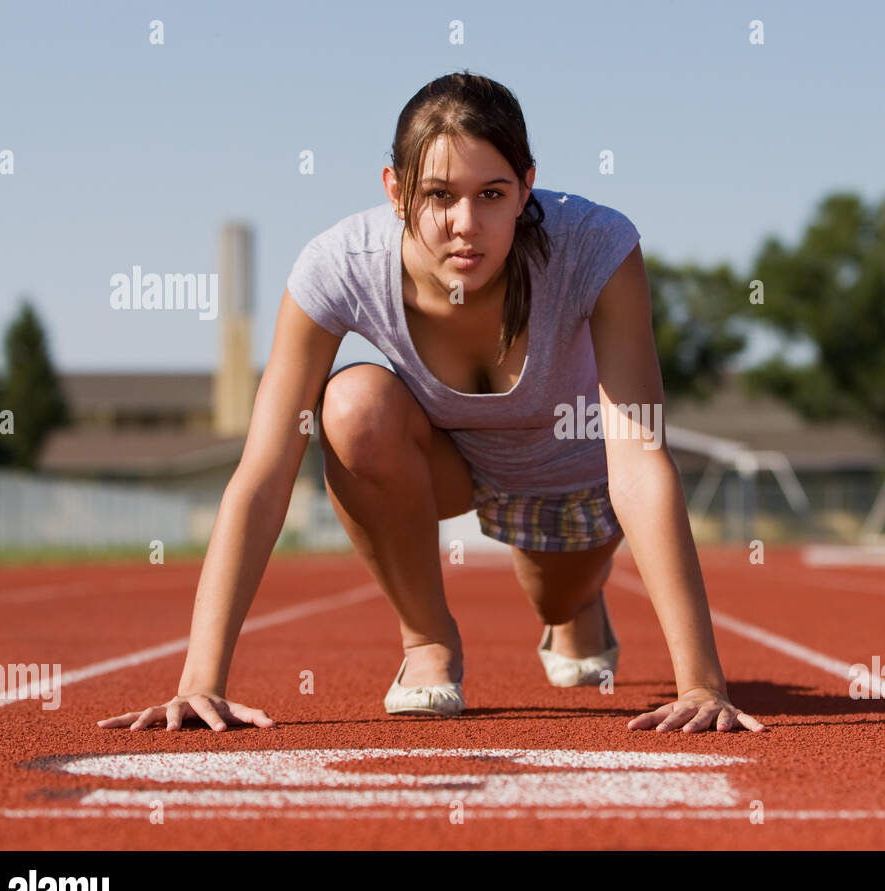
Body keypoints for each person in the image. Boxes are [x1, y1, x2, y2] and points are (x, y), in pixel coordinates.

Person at [99, 70, 766, 735]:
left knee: (558, 599)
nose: (465, 227)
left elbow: (642, 459)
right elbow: (265, 472)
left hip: (571, 477)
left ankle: (576, 609)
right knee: (353, 406)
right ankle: (427, 643)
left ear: (527, 186)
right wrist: (200, 682)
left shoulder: (596, 245)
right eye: (438, 195)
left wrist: (701, 683)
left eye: (492, 195)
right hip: (450, 463)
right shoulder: (339, 266)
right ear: (395, 190)